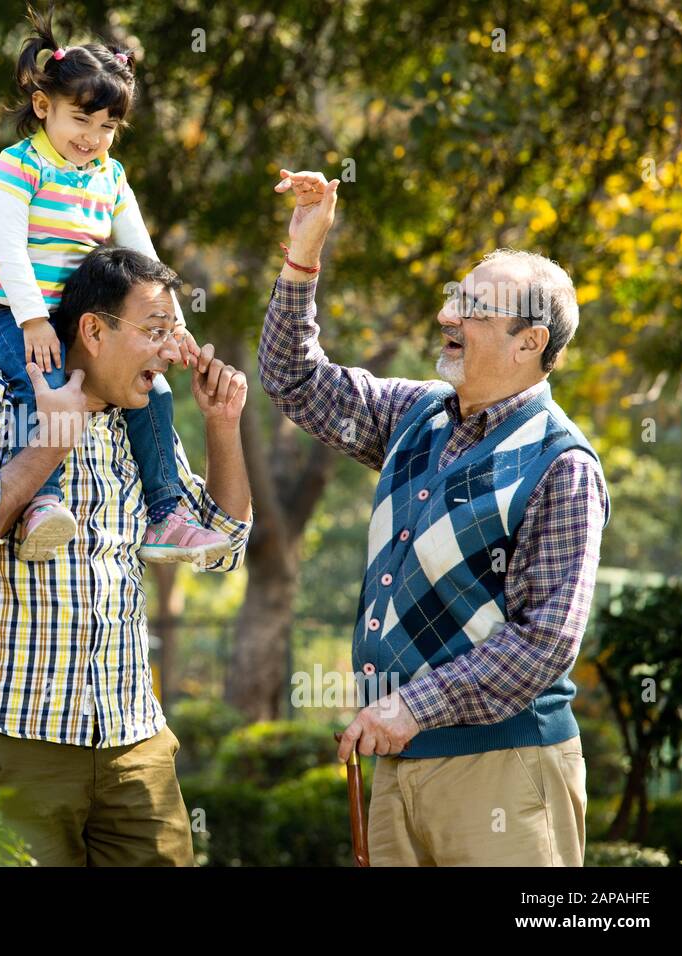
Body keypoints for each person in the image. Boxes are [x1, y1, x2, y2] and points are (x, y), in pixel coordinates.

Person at [259, 168, 608, 866]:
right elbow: (291, 378)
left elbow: (545, 643)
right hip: (400, 765)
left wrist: (413, 707)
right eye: (455, 299)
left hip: (507, 769)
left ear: (529, 343)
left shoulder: (561, 464)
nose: (447, 317)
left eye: (472, 308)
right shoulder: (416, 414)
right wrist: (303, 256)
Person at [0, 248, 252, 865]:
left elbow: (221, 551)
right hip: (5, 742)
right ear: (93, 330)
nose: (170, 351)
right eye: (155, 331)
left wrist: (223, 428)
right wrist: (49, 446)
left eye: (173, 334)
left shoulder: (141, 421)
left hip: (132, 745)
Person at [0, 5, 230, 564]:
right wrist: (33, 320)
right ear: (44, 107)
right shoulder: (16, 168)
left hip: (77, 316)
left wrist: (174, 327)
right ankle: (42, 504)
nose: (93, 138)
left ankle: (166, 515)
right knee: (39, 384)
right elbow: (9, 250)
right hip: (11, 311)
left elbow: (142, 254)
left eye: (107, 127)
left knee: (155, 393)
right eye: (81, 121)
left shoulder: (110, 175)